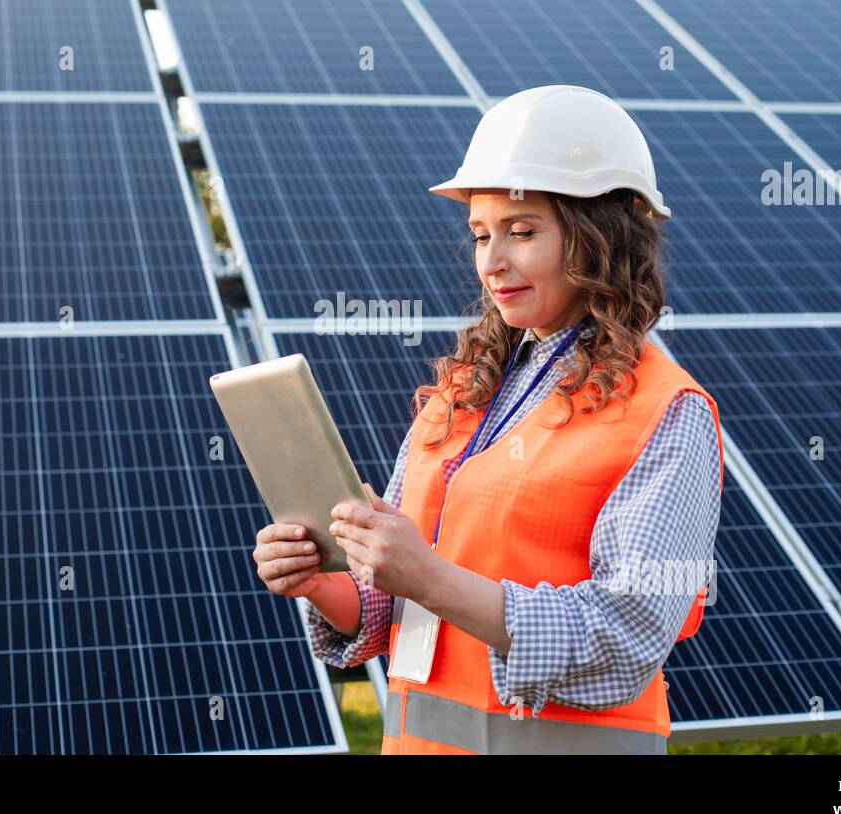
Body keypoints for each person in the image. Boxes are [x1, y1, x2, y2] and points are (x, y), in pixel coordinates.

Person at [252, 85, 725, 754]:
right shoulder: (461, 394)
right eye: (480, 235)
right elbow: (397, 604)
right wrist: (324, 579)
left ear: (600, 238)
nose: (491, 262)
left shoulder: (666, 412)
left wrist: (430, 577)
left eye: (522, 232)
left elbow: (627, 632)